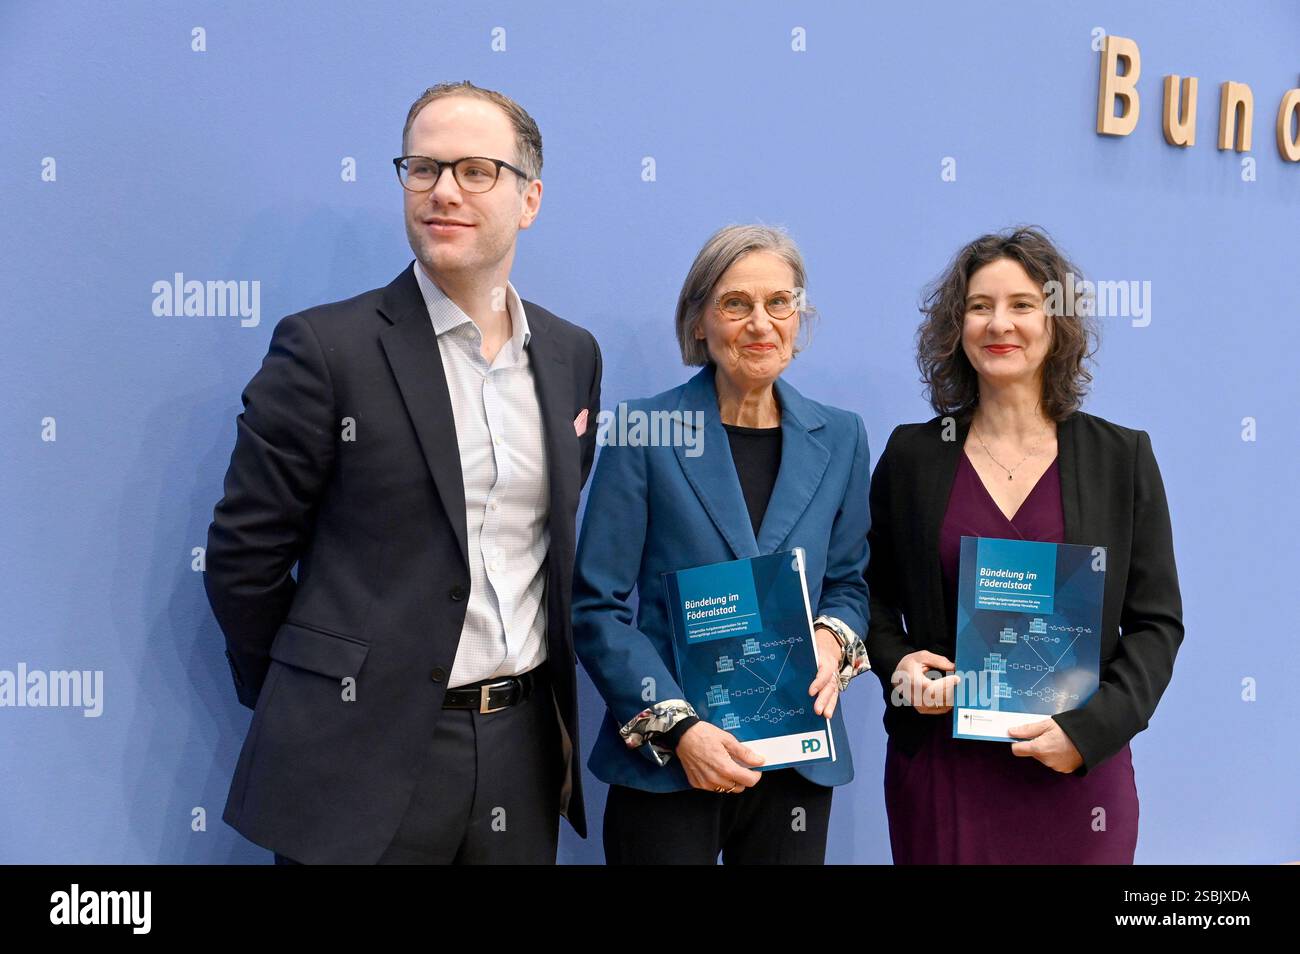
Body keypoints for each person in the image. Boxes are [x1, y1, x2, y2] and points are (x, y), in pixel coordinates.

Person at [203, 81, 602, 864]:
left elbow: (545, 544)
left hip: (520, 753)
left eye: (475, 170)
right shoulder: (326, 350)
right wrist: (310, 695)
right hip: (357, 756)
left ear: (530, 198)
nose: (443, 191)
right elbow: (243, 562)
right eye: (422, 168)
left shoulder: (570, 355)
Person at [866, 226, 1183, 864]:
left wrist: (1088, 732)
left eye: (1021, 305)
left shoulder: (1122, 458)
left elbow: (1156, 624)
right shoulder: (913, 456)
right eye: (979, 307)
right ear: (956, 328)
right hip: (945, 771)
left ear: (1056, 322)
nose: (998, 324)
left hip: (1077, 777)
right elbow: (865, 595)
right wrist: (898, 667)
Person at [572, 224, 872, 864]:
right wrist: (678, 729)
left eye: (779, 303)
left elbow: (849, 583)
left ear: (799, 319)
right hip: (670, 764)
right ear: (699, 322)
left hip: (795, 759)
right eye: (736, 303)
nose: (761, 323)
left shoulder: (841, 437)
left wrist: (834, 637)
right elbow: (596, 607)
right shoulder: (642, 432)